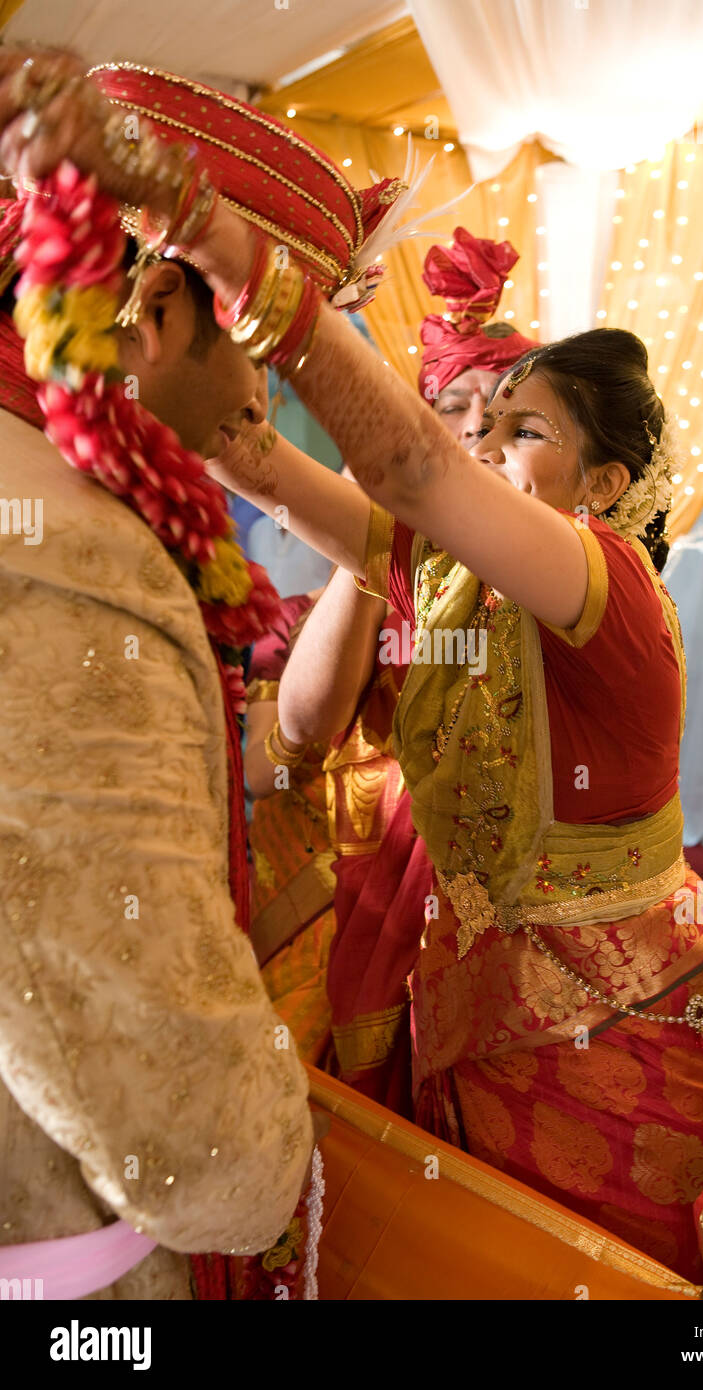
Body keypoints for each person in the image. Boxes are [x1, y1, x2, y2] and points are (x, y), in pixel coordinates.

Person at [0, 52, 703, 1293]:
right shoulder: (445, 575)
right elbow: (267, 467)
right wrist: (175, 362)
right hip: (477, 1018)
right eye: (481, 429)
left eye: (522, 432)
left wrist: (225, 243)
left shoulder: (616, 598)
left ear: (603, 486)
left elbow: (417, 473)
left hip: (623, 1045)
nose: (484, 455)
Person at [0, 47, 407, 1300]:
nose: (257, 407)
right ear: (161, 316)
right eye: (265, 363)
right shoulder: (66, 563)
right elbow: (172, 1119)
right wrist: (261, 1165)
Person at [249, 228, 539, 1111]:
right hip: (342, 906)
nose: (477, 433)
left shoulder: (552, 591)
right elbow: (284, 752)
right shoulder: (328, 601)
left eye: (506, 412)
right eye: (452, 407)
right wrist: (381, 537)